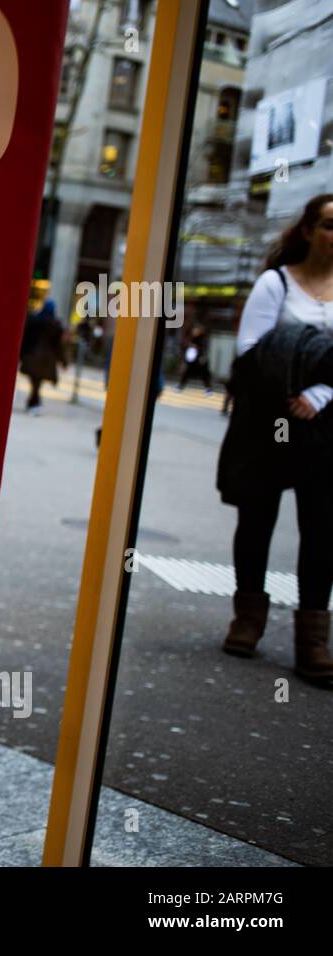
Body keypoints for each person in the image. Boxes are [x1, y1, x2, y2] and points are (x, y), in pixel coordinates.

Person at [217, 194, 333, 685]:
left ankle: (313, 642)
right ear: (307, 231)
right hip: (270, 420)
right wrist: (293, 384)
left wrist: (320, 393)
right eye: (329, 224)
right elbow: (250, 354)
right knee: (257, 517)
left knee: (323, 530)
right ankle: (248, 619)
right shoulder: (276, 282)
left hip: (323, 424)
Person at [19, 299, 67, 415]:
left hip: (32, 356)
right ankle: (34, 402)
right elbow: (58, 346)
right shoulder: (55, 325)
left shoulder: (35, 320)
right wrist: (64, 361)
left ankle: (34, 402)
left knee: (35, 381)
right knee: (37, 382)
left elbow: (25, 338)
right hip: (46, 360)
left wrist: (21, 354)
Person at [177, 323, 212, 393]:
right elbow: (188, 349)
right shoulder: (192, 339)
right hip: (192, 361)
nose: (194, 331)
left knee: (204, 375)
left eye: (196, 330)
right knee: (186, 373)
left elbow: (202, 349)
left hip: (199, 361)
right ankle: (180, 385)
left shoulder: (202, 339)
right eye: (194, 330)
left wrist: (197, 349)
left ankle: (208, 388)